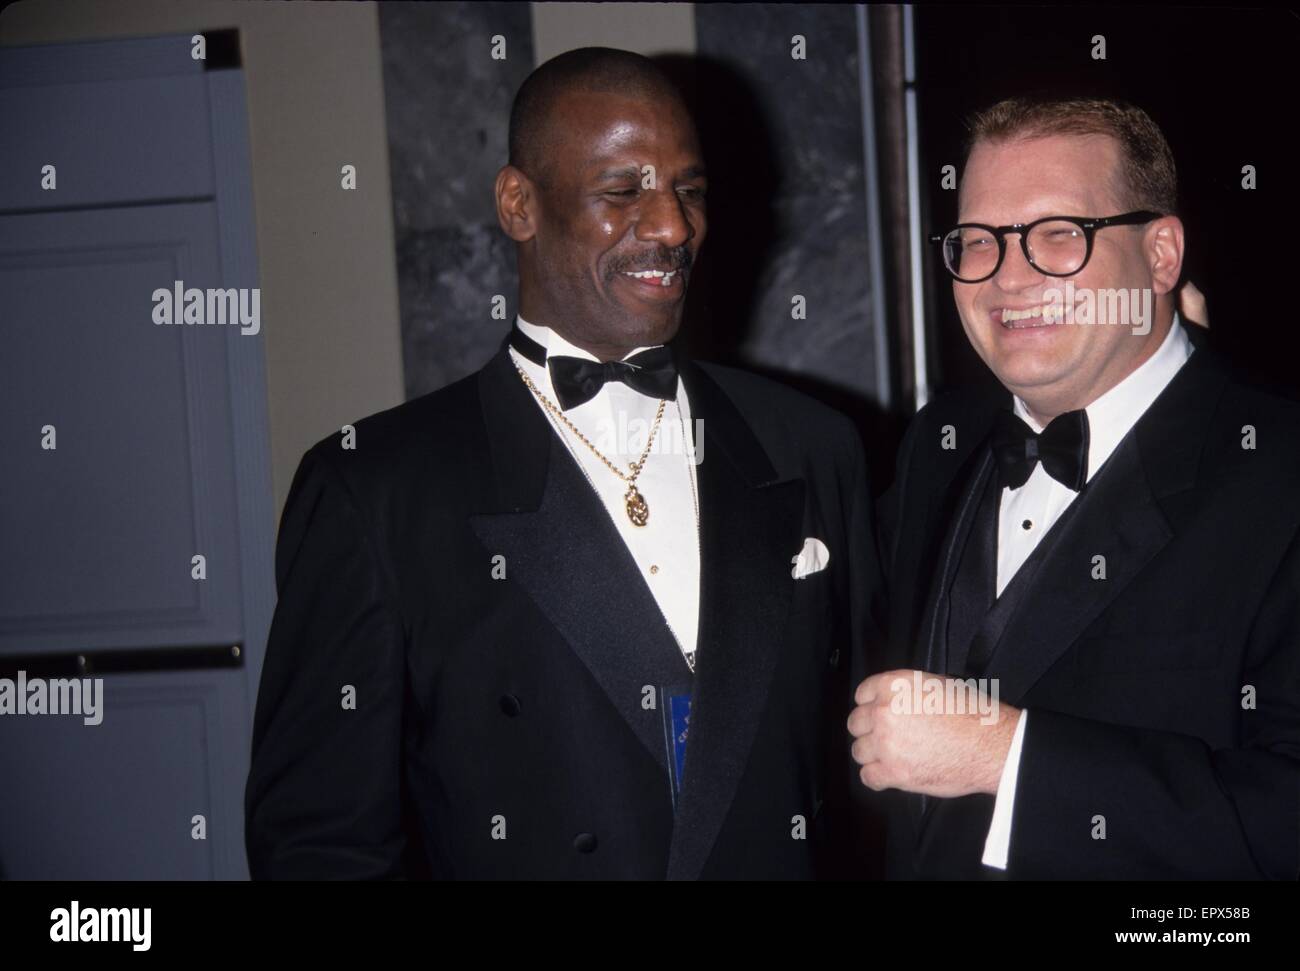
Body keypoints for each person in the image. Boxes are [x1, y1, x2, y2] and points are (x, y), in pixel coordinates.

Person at [245, 47, 881, 880]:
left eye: (689, 191)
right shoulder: (373, 488)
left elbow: (880, 780)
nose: (672, 227)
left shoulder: (812, 443)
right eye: (625, 191)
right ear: (519, 203)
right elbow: (320, 844)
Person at [849, 96, 1300, 879]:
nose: (1009, 277)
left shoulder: (1279, 471)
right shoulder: (937, 445)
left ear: (1161, 256)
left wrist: (1008, 756)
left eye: (1059, 235)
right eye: (979, 241)